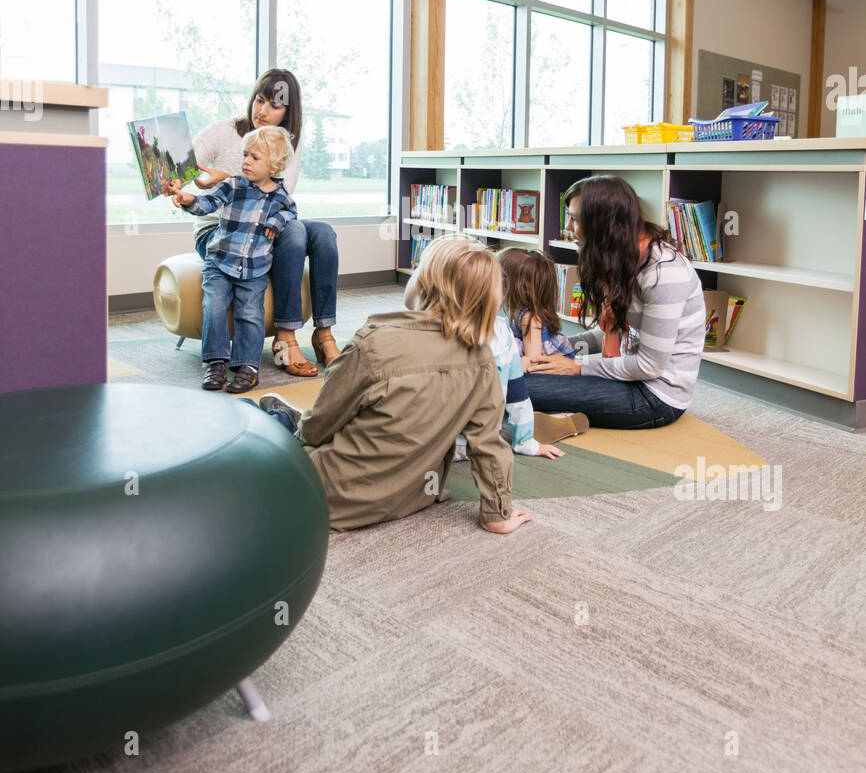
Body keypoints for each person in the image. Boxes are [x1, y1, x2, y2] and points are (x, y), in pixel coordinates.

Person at [252, 237, 533, 534]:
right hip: (413, 496)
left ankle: (283, 420)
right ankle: (285, 419)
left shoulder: (375, 342)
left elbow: (322, 423)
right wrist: (497, 513)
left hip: (325, 497)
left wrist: (300, 438)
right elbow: (489, 445)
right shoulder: (482, 360)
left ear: (425, 284)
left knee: (251, 421)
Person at [522, 176, 706, 430]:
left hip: (654, 397)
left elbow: (649, 365)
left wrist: (576, 367)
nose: (567, 227)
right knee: (525, 373)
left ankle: (560, 414)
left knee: (517, 386)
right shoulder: (626, 258)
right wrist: (559, 347)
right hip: (628, 377)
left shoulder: (663, 273)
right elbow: (612, 333)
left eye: (575, 219)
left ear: (602, 224)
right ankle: (561, 414)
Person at [191, 68, 339, 379]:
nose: (262, 111)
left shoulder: (288, 144)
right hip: (221, 230)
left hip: (261, 227)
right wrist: (205, 182)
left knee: (323, 233)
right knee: (295, 229)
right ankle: (285, 337)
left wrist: (277, 216)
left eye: (274, 106)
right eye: (260, 100)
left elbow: (283, 198)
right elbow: (185, 162)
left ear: (288, 112)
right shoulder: (225, 131)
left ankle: (323, 332)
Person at [404, 249, 576, 461]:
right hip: (471, 441)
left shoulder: (440, 331)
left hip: (429, 444)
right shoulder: (502, 332)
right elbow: (516, 395)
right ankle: (523, 428)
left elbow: (534, 362)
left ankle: (529, 424)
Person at [168, 126, 296, 394]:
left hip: (255, 267)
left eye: (255, 157)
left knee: (250, 313)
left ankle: (247, 367)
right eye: (245, 155)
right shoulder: (233, 184)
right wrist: (186, 198)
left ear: (274, 165)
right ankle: (215, 362)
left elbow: (291, 213)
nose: (246, 161)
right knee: (213, 306)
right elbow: (207, 203)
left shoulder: (281, 196)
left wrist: (277, 219)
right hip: (220, 261)